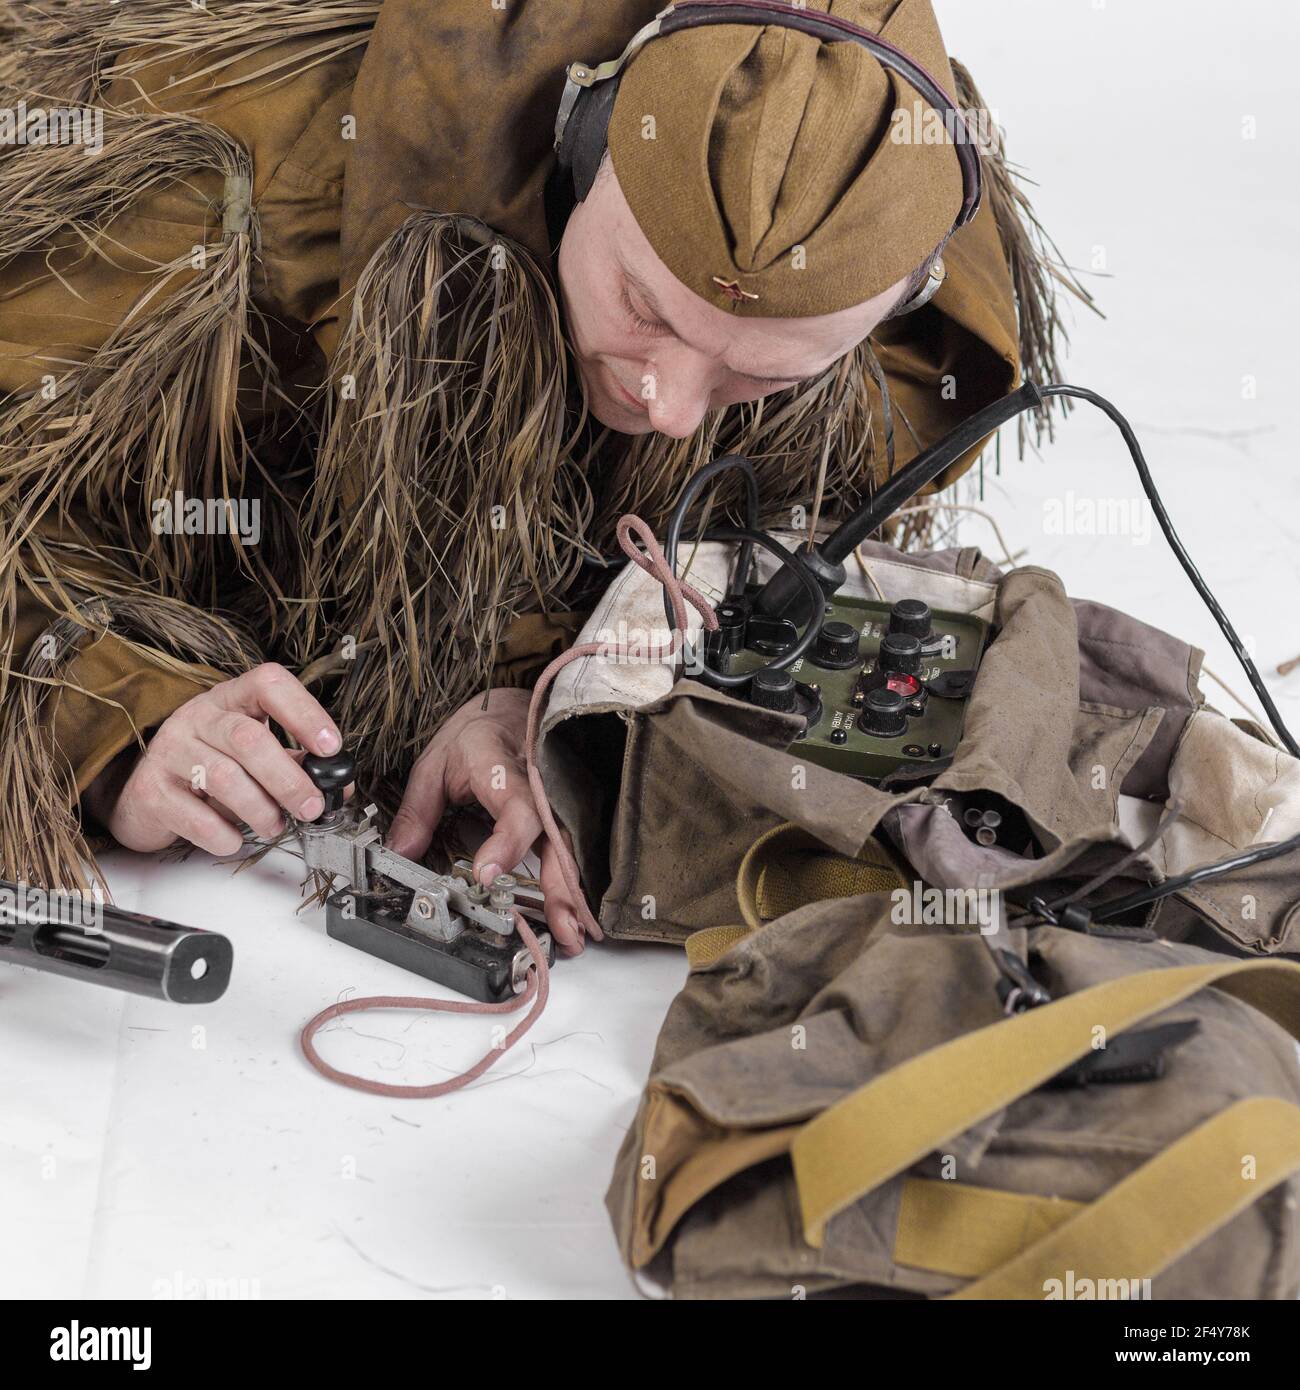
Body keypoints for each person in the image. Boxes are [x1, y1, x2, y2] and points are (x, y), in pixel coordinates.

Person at [0, 0, 1079, 951]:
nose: (668, 404)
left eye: (758, 375)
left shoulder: (894, 244)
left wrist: (536, 686)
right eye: (643, 307)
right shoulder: (218, 188)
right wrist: (117, 723)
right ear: (583, 142)